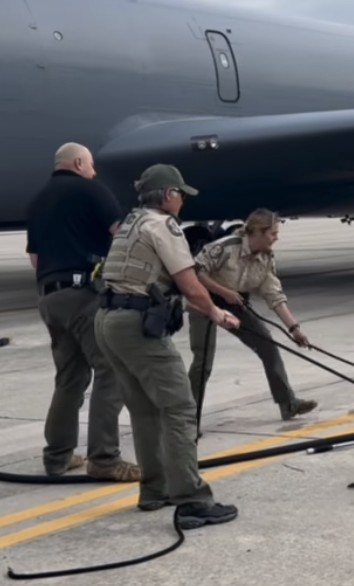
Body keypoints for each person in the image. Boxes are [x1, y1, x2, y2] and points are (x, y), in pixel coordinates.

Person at [94, 163, 241, 529]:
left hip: (108, 320)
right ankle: (192, 500)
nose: (182, 201)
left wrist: (204, 307)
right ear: (167, 195)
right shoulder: (163, 226)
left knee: (144, 409)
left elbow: (153, 284)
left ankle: (154, 489)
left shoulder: (131, 223)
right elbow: (190, 284)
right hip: (135, 326)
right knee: (179, 408)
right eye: (179, 194)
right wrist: (216, 313)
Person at [24, 142, 140, 482]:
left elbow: (34, 258)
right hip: (83, 295)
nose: (94, 171)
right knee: (112, 370)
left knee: (70, 378)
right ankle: (104, 458)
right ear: (77, 162)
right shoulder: (91, 191)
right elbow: (121, 237)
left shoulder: (38, 200)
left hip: (50, 297)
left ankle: (57, 457)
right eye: (90, 165)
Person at [189, 208, 317, 422]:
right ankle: (189, 419)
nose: (276, 238)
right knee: (204, 362)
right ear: (257, 232)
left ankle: (288, 403)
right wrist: (223, 292)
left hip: (234, 304)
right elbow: (195, 273)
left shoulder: (266, 258)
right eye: (272, 233)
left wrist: (294, 329)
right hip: (204, 303)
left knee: (268, 346)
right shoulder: (225, 247)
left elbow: (273, 295)